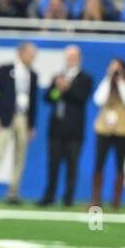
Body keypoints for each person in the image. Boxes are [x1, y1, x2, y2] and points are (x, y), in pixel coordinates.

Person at [0, 41, 38, 203]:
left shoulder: (33, 75)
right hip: (6, 115)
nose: (33, 57)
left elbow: (33, 101)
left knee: (20, 155)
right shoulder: (5, 70)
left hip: (23, 116)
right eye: (30, 54)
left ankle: (14, 191)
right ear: (21, 53)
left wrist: (31, 124)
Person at [39, 45, 93, 206]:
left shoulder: (85, 78)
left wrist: (67, 89)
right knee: (53, 166)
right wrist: (57, 89)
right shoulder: (58, 76)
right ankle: (49, 196)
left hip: (74, 130)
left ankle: (68, 198)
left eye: (73, 57)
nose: (70, 60)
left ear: (79, 59)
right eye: (68, 57)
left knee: (72, 166)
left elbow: (81, 99)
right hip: (56, 129)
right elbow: (49, 98)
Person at [89, 57, 125, 209]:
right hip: (104, 129)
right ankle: (96, 199)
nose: (115, 71)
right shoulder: (106, 85)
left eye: (118, 69)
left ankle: (116, 201)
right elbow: (98, 100)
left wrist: (120, 81)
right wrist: (109, 78)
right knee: (99, 163)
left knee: (120, 164)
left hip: (122, 130)